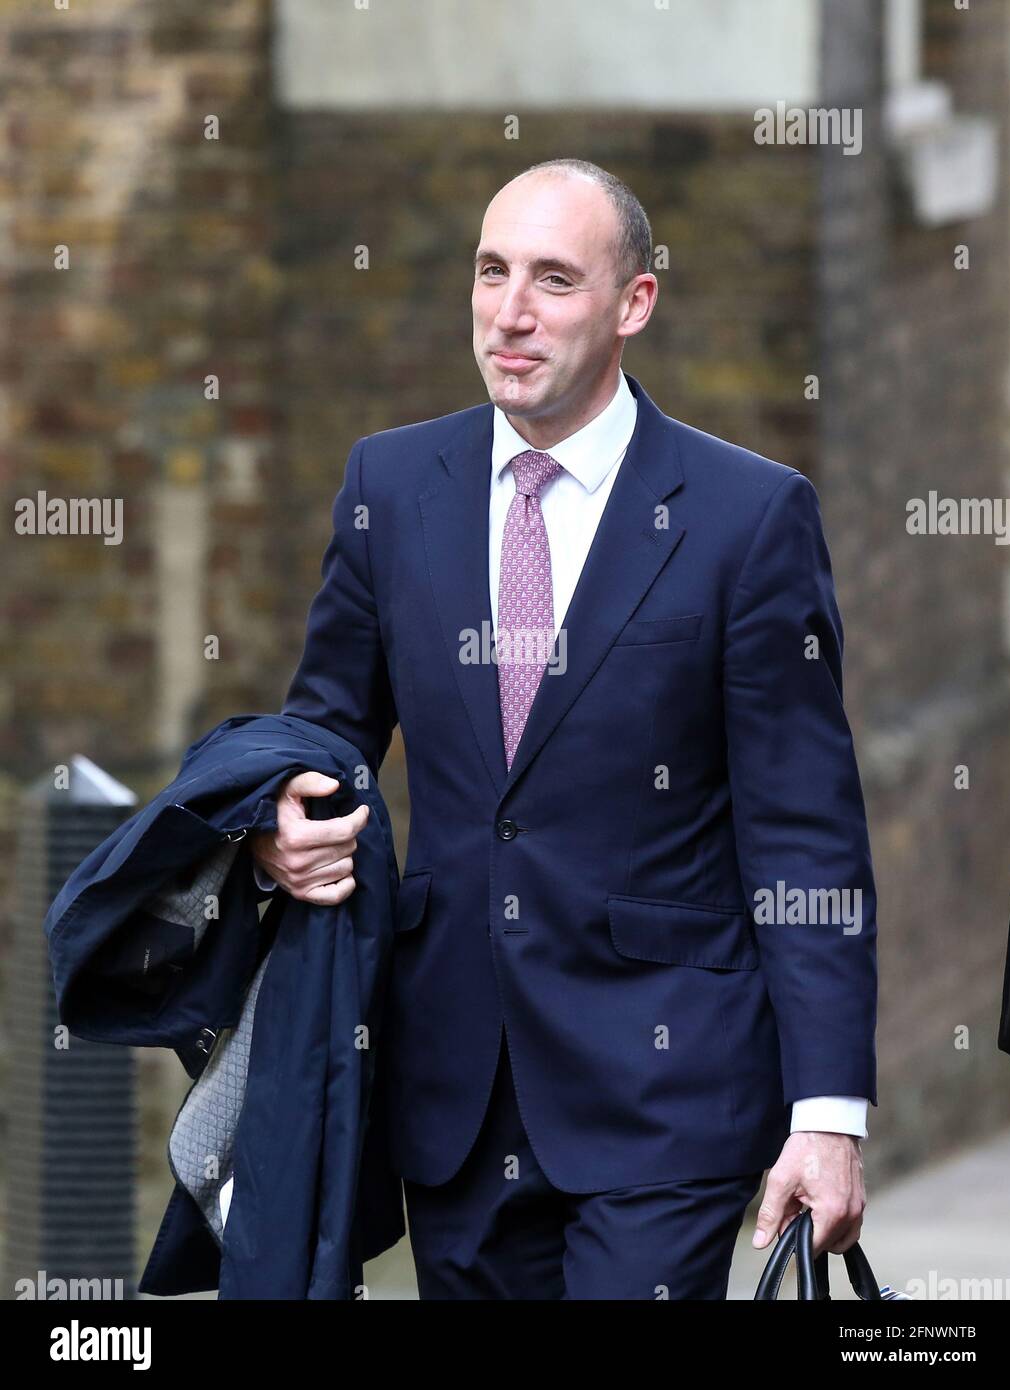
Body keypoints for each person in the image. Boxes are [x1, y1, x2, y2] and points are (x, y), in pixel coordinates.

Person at [251, 158, 877, 1300]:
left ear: (635, 303)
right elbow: (325, 732)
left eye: (553, 278)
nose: (510, 313)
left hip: (665, 1094)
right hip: (454, 1082)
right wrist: (278, 823)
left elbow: (805, 834)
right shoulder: (389, 486)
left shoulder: (747, 518)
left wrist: (828, 1114)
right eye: (491, 272)